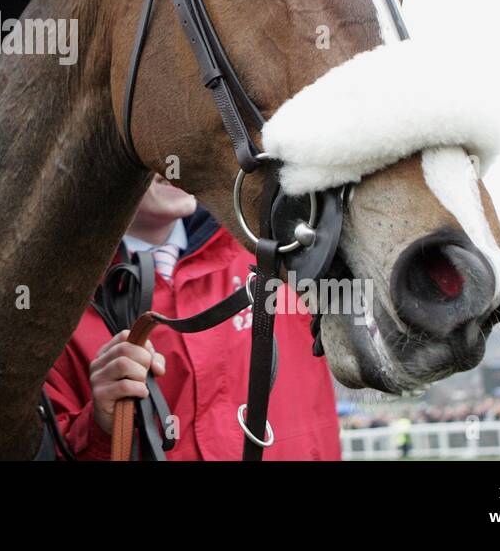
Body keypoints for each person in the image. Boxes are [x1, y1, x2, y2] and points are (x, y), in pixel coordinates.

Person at [45, 175, 343, 460]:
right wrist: (101, 426)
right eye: (149, 145)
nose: (170, 161)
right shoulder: (58, 307)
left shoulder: (277, 240)